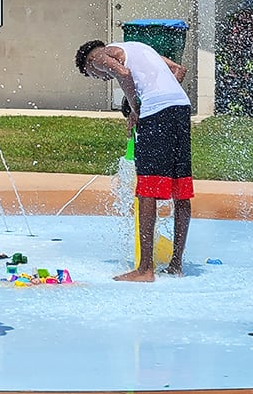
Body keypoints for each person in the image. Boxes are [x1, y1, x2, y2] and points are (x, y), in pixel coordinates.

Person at [75, 39, 193, 282]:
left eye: (94, 75)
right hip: (180, 107)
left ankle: (145, 269)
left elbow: (122, 72)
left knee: (147, 189)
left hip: (158, 113)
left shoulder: (100, 55)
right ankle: (176, 264)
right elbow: (178, 70)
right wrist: (160, 99)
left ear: (89, 62)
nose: (101, 77)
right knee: (180, 187)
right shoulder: (140, 48)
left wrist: (135, 108)